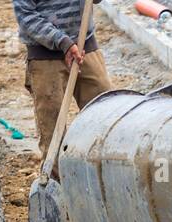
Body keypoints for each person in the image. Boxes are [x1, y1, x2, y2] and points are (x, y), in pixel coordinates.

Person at [13, 0, 113, 167]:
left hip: (85, 46)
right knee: (52, 127)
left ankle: (102, 172)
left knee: (105, 111)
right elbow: (26, 16)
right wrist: (62, 42)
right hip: (45, 55)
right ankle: (56, 181)